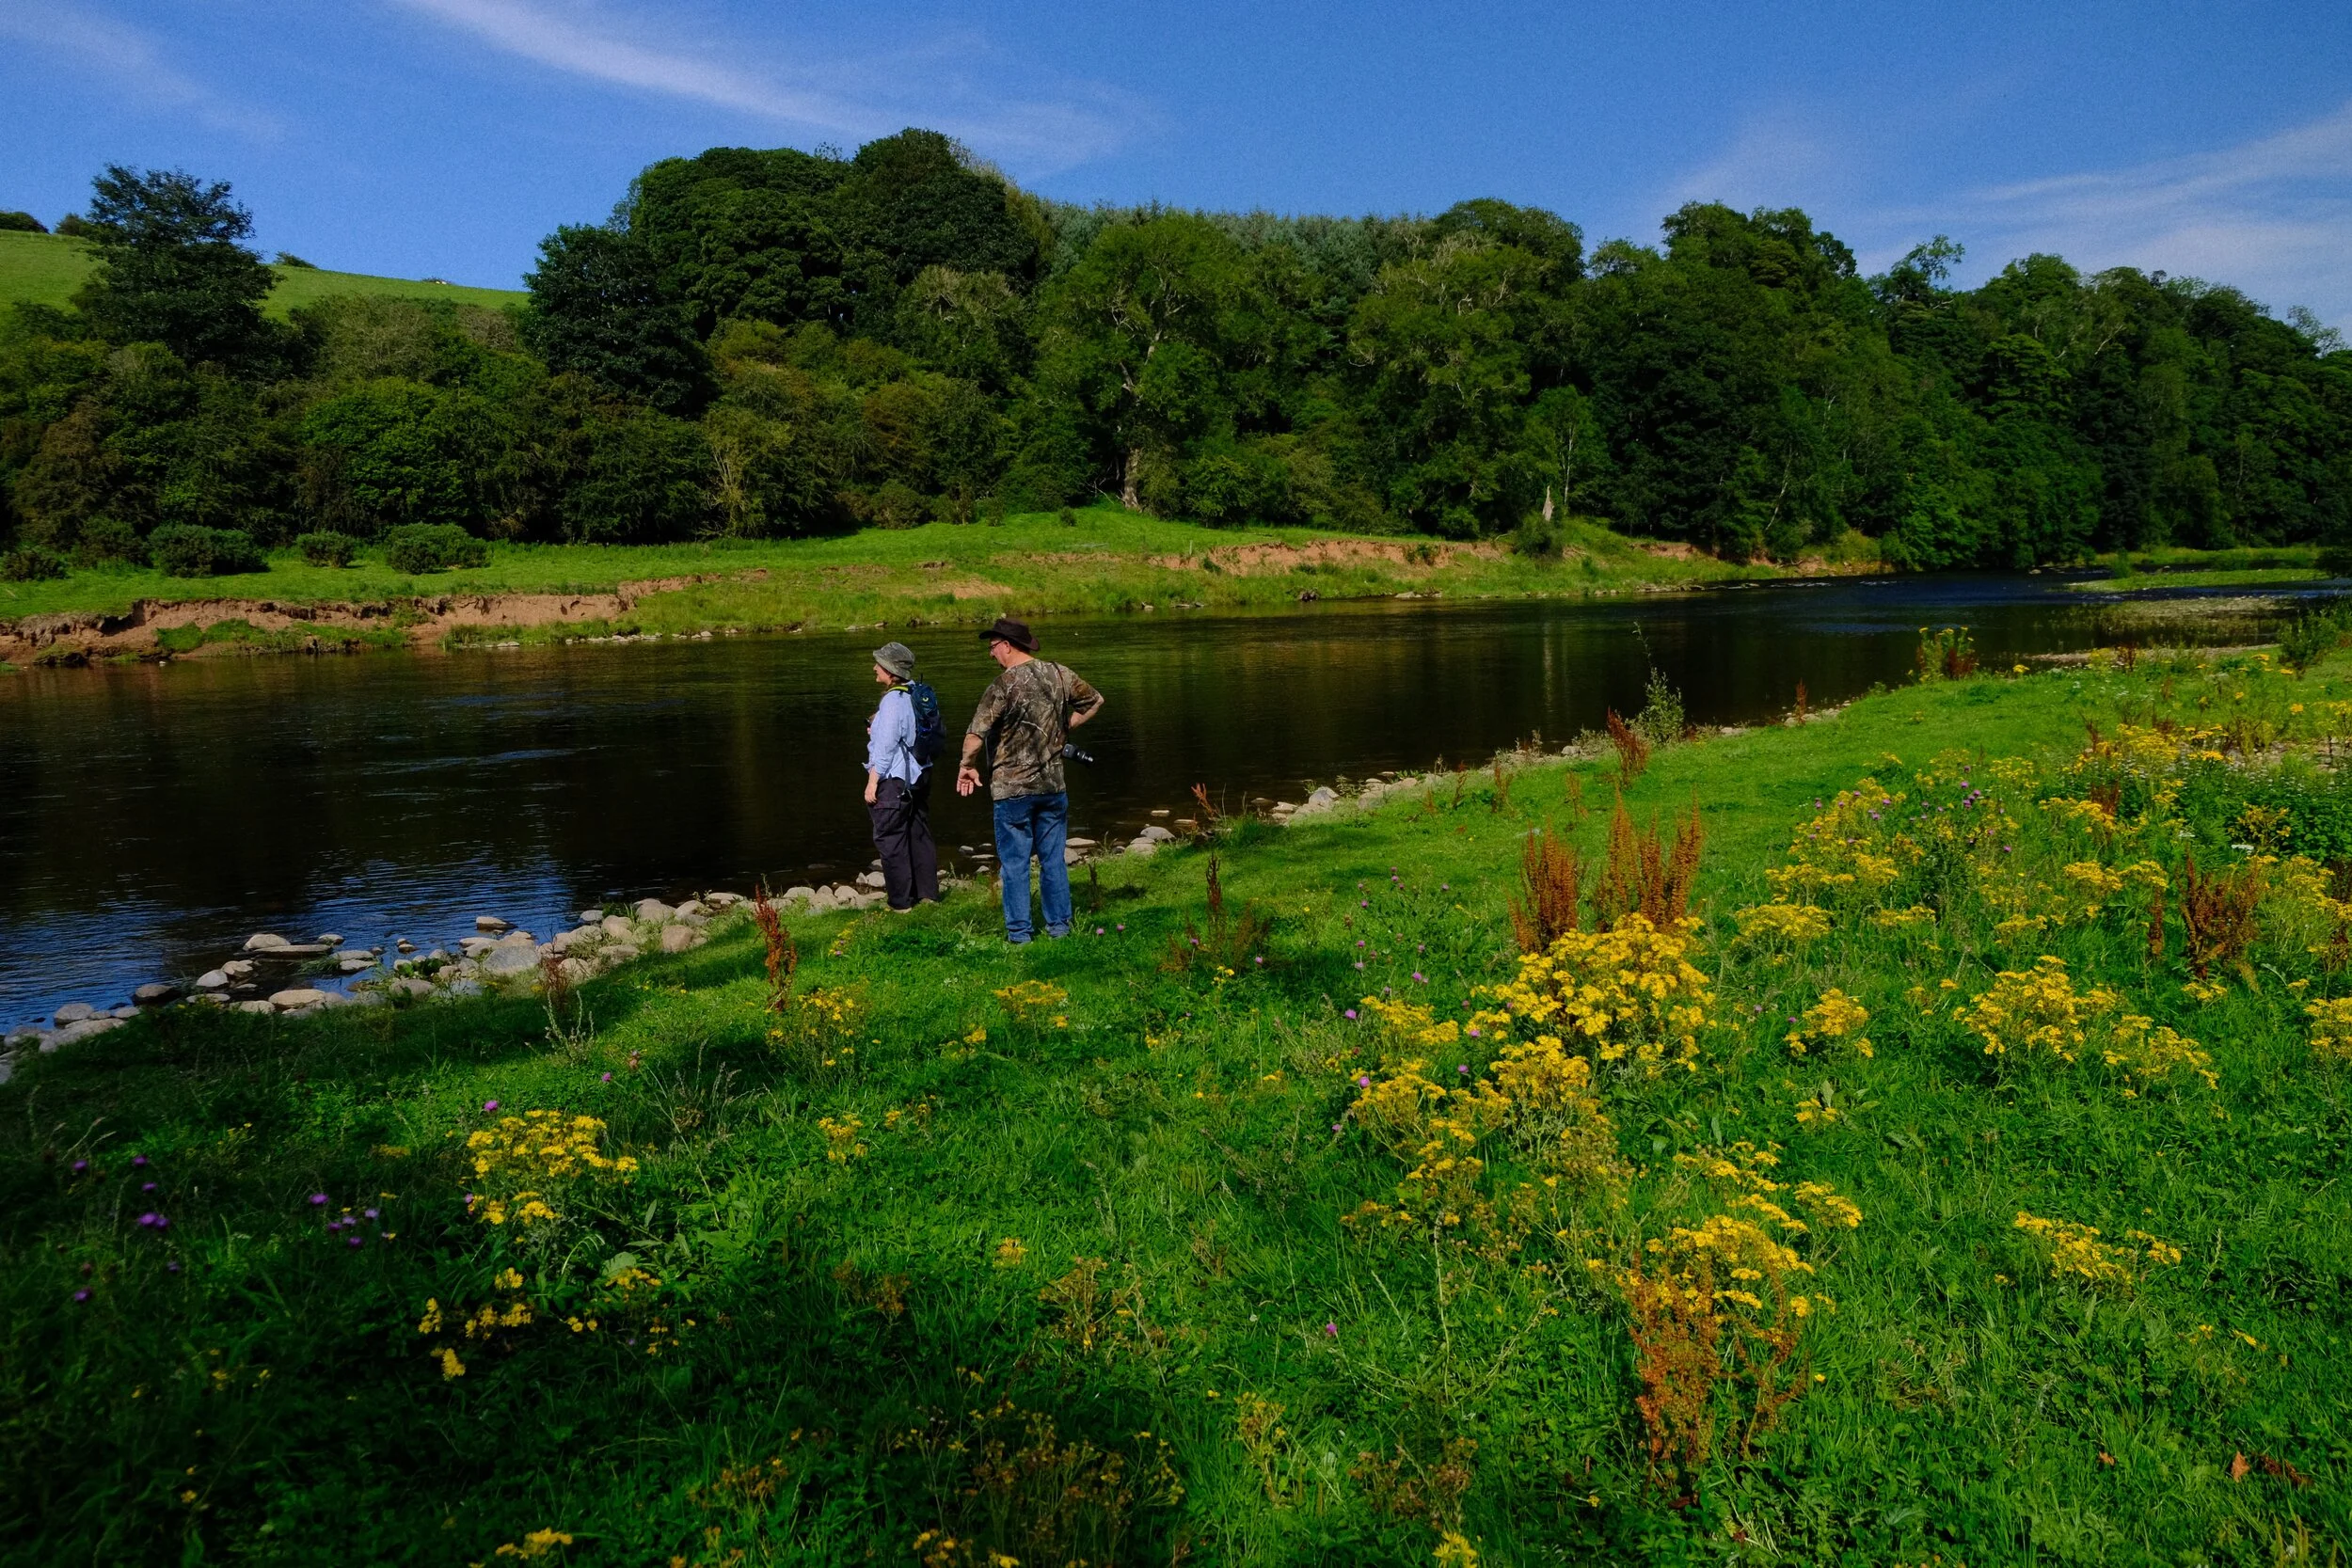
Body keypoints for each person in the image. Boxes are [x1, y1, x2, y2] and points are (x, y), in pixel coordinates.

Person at [956, 616, 1104, 943]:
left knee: (1014, 865)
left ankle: (1020, 934)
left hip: (1012, 792)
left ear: (1007, 646)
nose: (991, 654)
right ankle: (1060, 929)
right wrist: (1066, 728)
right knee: (1053, 861)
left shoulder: (1002, 686)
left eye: (993, 648)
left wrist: (967, 764)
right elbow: (1095, 701)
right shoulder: (1059, 673)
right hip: (1053, 787)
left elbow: (974, 736)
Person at [865, 641, 939, 911]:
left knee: (890, 837)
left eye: (879, 664)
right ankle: (928, 895)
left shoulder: (892, 702)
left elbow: (884, 749)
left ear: (890, 670)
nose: (875, 667)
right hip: (921, 775)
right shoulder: (916, 694)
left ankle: (901, 903)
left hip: (895, 779)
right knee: (918, 832)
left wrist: (873, 782)